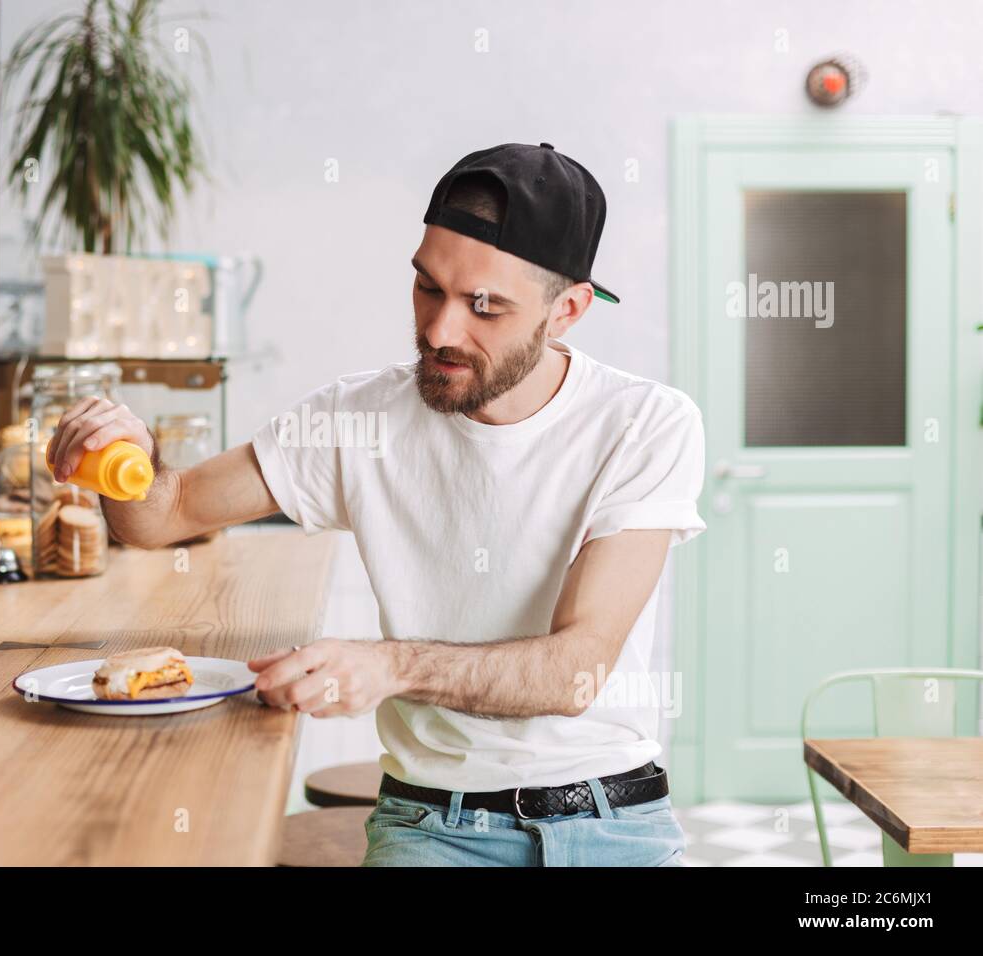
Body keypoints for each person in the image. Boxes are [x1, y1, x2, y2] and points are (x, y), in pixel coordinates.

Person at [45, 142, 706, 866]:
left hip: (613, 817)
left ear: (567, 311)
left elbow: (573, 671)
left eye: (485, 306)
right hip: (434, 827)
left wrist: (391, 667)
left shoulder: (646, 424)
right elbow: (164, 516)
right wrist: (124, 461)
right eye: (429, 288)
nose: (439, 331)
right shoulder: (356, 418)